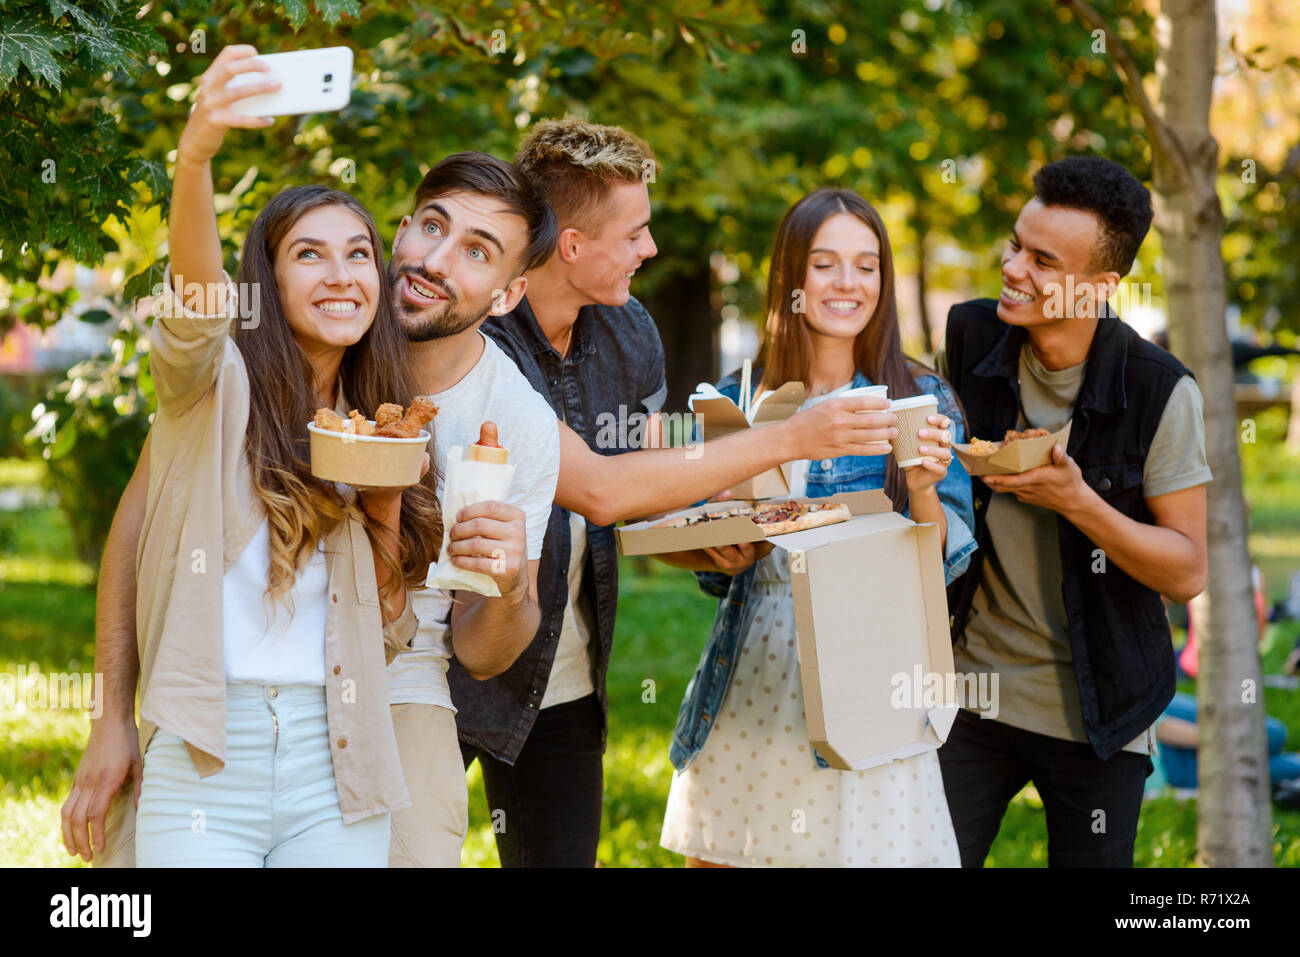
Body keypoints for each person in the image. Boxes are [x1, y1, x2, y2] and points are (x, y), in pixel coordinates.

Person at [60, 63, 558, 869]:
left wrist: (412, 522)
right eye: (309, 255)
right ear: (269, 276)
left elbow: (396, 621)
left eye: (355, 255)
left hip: (343, 749)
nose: (341, 274)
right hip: (211, 745)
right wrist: (196, 157)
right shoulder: (216, 387)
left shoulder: (391, 429)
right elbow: (195, 305)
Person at [460, 119, 904, 867]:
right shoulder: (482, 341)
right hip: (450, 657)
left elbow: (645, 491)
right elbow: (599, 490)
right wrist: (793, 437)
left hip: (563, 668)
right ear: (572, 246)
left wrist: (701, 538)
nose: (651, 249)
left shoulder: (629, 331)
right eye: (635, 233)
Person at [652, 187, 976, 867]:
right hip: (754, 672)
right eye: (826, 263)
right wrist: (721, 544)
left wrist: (919, 488)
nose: (848, 283)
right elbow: (714, 559)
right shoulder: (741, 397)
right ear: (791, 276)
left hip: (867, 681)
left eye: (866, 265)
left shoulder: (921, 398)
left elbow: (940, 570)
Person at [940, 155, 1212, 867]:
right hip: (973, 691)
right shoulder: (970, 341)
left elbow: (1186, 569)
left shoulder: (1159, 391)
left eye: (1042, 261)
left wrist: (1077, 501)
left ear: (1099, 288)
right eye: (1014, 245)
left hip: (1104, 708)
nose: (1013, 268)